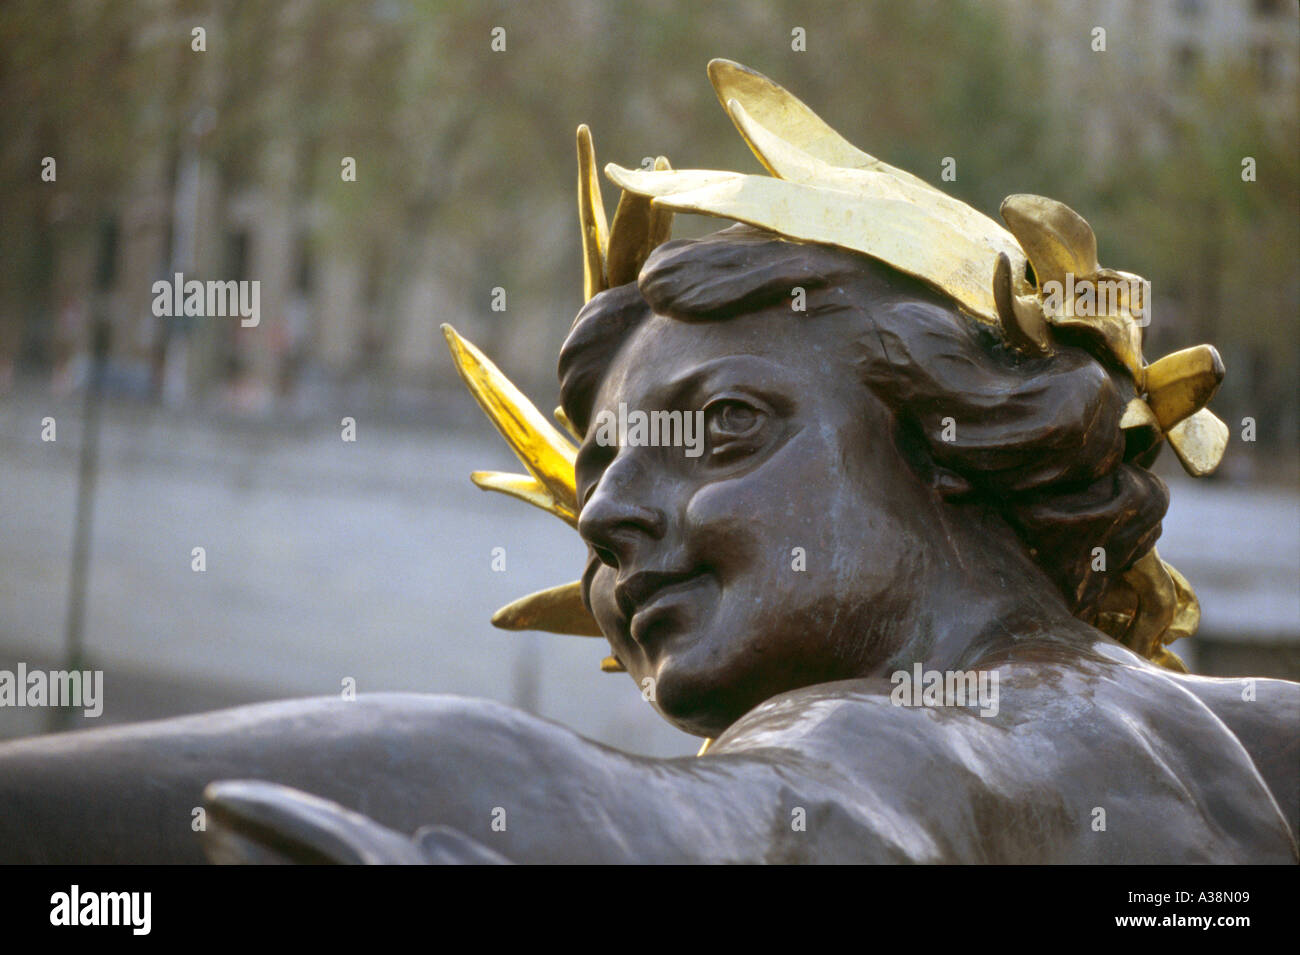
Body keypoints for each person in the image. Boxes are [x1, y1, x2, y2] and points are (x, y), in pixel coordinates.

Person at [0, 61, 1294, 864]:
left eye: (723, 427)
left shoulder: (908, 748)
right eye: (600, 469)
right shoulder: (1254, 735)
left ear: (950, 438)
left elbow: (747, 821)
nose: (609, 510)